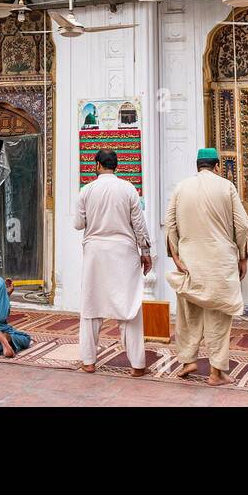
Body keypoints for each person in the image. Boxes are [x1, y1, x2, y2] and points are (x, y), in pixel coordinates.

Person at [164, 147, 248, 385]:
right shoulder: (226, 187)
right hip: (220, 263)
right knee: (219, 317)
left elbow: (170, 224)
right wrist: (243, 256)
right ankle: (216, 372)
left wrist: (175, 256)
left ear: (197, 167)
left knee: (188, 315)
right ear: (217, 167)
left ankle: (188, 360)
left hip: (189, 262)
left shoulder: (182, 187)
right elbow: (242, 226)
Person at [75, 148, 152, 376]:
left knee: (91, 307)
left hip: (95, 254)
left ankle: (88, 362)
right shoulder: (128, 189)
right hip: (124, 253)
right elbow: (139, 224)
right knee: (129, 308)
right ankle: (138, 365)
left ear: (97, 165)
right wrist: (145, 251)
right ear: (116, 165)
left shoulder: (86, 191)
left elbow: (79, 224)